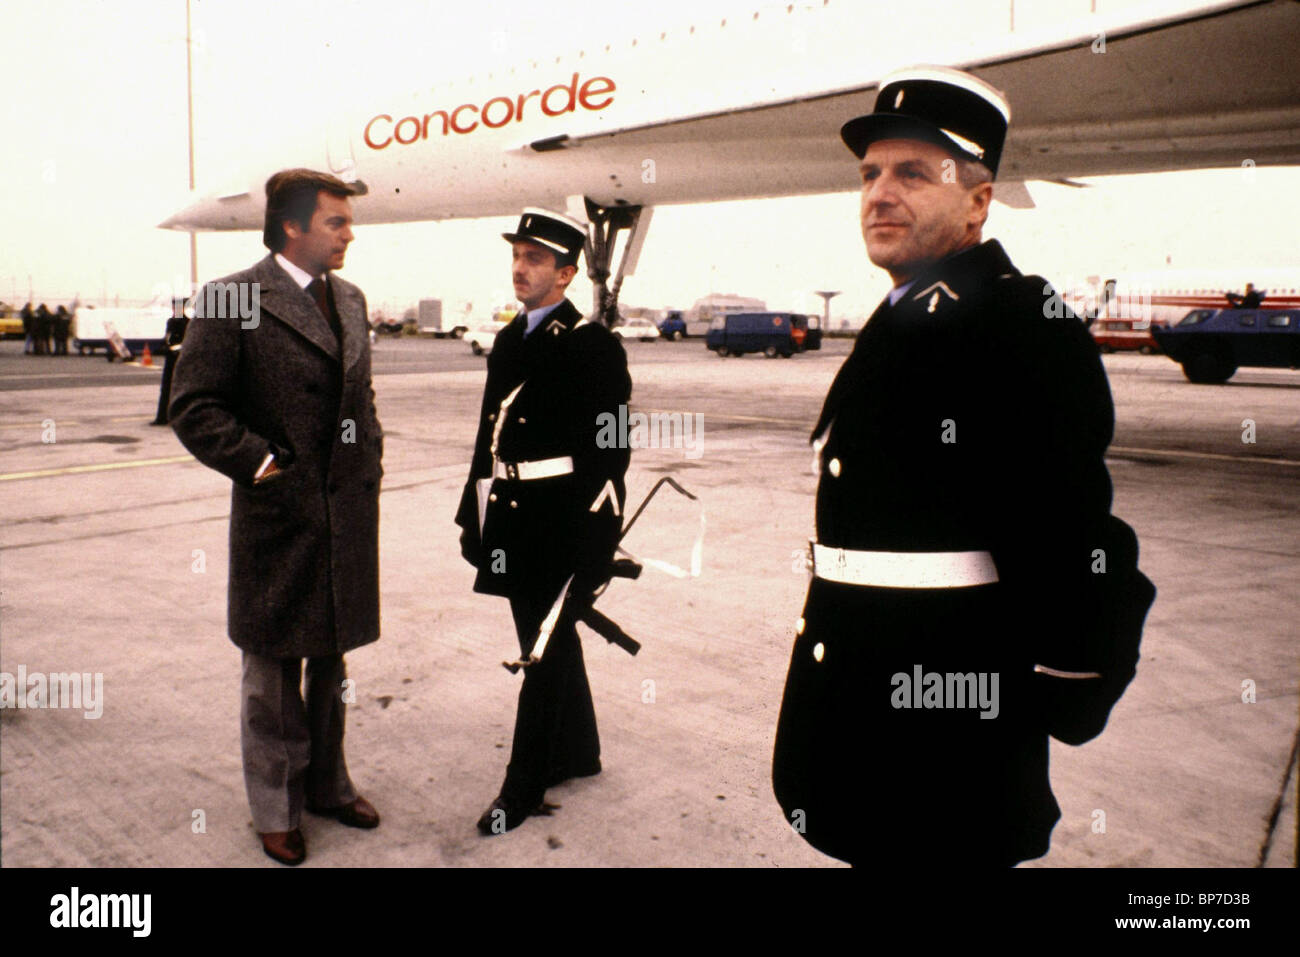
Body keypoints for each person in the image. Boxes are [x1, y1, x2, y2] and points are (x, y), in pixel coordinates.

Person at [771, 66, 1155, 868]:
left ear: (978, 201)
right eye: (870, 173)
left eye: (914, 172)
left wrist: (1069, 678)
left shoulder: (1020, 323)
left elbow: (1072, 533)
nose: (879, 193)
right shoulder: (905, 315)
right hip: (859, 717)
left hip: (942, 754)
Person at [169, 168, 384, 866]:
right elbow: (195, 407)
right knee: (270, 674)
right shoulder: (231, 298)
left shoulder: (349, 300)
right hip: (277, 516)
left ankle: (327, 785)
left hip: (343, 515)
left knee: (331, 663)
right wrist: (263, 465)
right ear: (292, 226)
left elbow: (362, 402)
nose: (350, 233)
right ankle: (276, 808)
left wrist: (368, 468)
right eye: (337, 222)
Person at [455, 208, 631, 835]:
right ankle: (579, 753)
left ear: (566, 273)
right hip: (510, 517)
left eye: (534, 259)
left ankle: (523, 786)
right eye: (517, 255)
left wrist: (595, 545)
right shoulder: (510, 339)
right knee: (552, 639)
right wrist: (472, 519)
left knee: (540, 650)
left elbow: (612, 455)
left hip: (560, 524)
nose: (520, 268)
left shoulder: (591, 345)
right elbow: (489, 437)